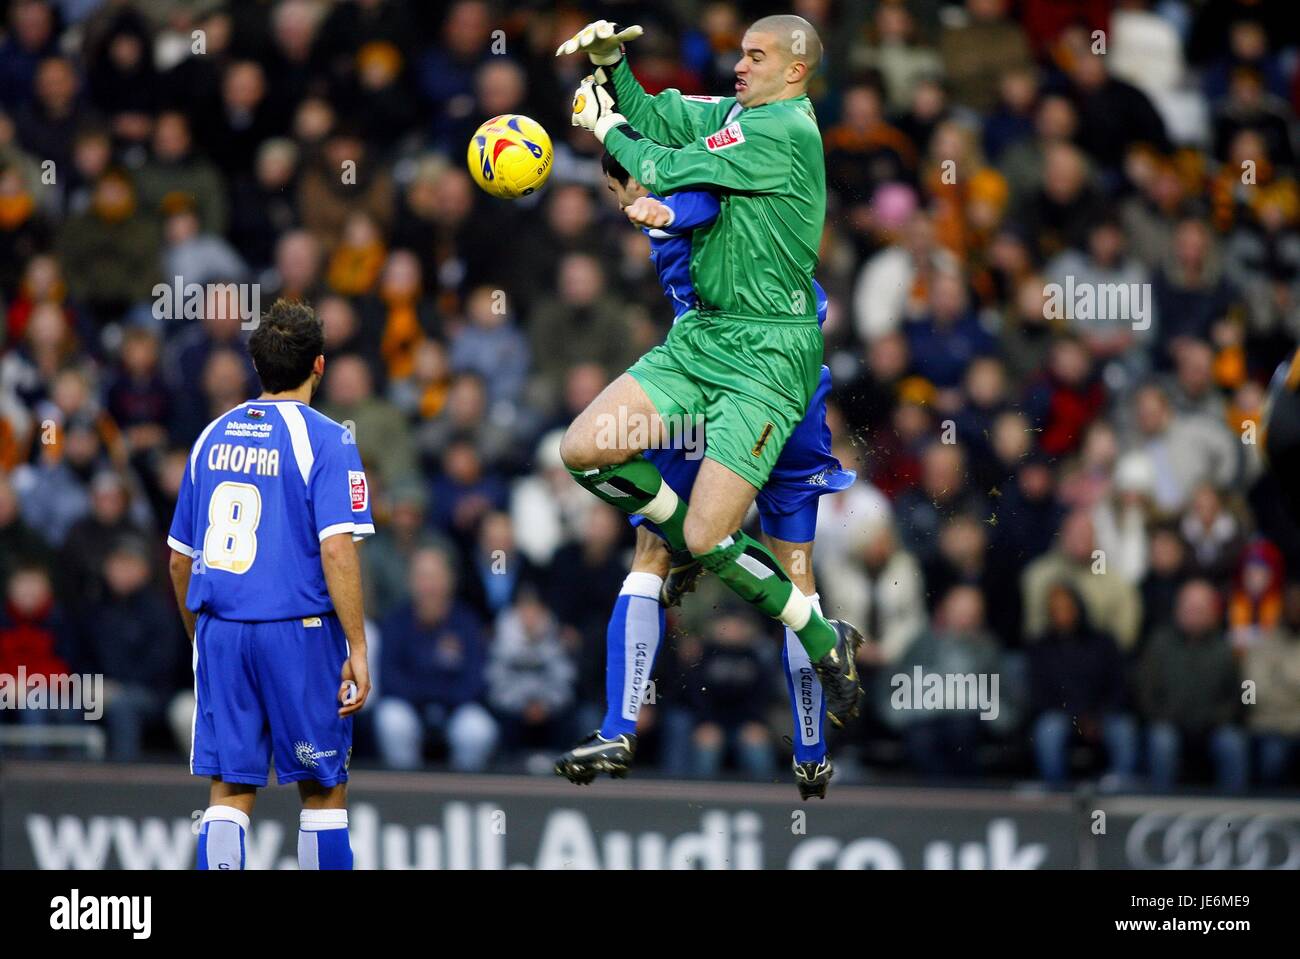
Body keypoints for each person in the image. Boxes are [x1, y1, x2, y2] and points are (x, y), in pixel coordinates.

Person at [556, 15, 865, 729]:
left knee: (704, 537)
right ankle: (800, 636)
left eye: (756, 56)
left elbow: (661, 164)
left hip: (767, 358)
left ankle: (822, 645)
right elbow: (663, 116)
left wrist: (604, 128)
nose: (740, 65)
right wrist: (614, 68)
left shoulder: (782, 133)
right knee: (583, 449)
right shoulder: (736, 113)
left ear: (794, 70)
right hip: (702, 340)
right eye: (739, 52)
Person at [166, 299, 374, 870]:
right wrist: (357, 647)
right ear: (320, 365)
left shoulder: (210, 436)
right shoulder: (329, 440)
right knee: (323, 790)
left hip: (222, 632)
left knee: (229, 790)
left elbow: (180, 561)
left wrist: (200, 636)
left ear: (258, 368)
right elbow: (337, 548)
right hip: (298, 634)